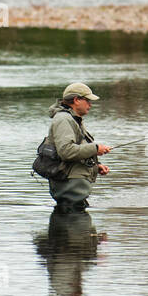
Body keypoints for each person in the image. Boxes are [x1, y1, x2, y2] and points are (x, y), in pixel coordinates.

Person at [46, 81, 111, 214]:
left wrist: (95, 166)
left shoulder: (72, 119)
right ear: (76, 100)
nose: (90, 105)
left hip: (74, 192)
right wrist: (95, 148)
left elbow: (75, 152)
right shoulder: (64, 120)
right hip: (70, 193)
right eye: (88, 101)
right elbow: (66, 151)